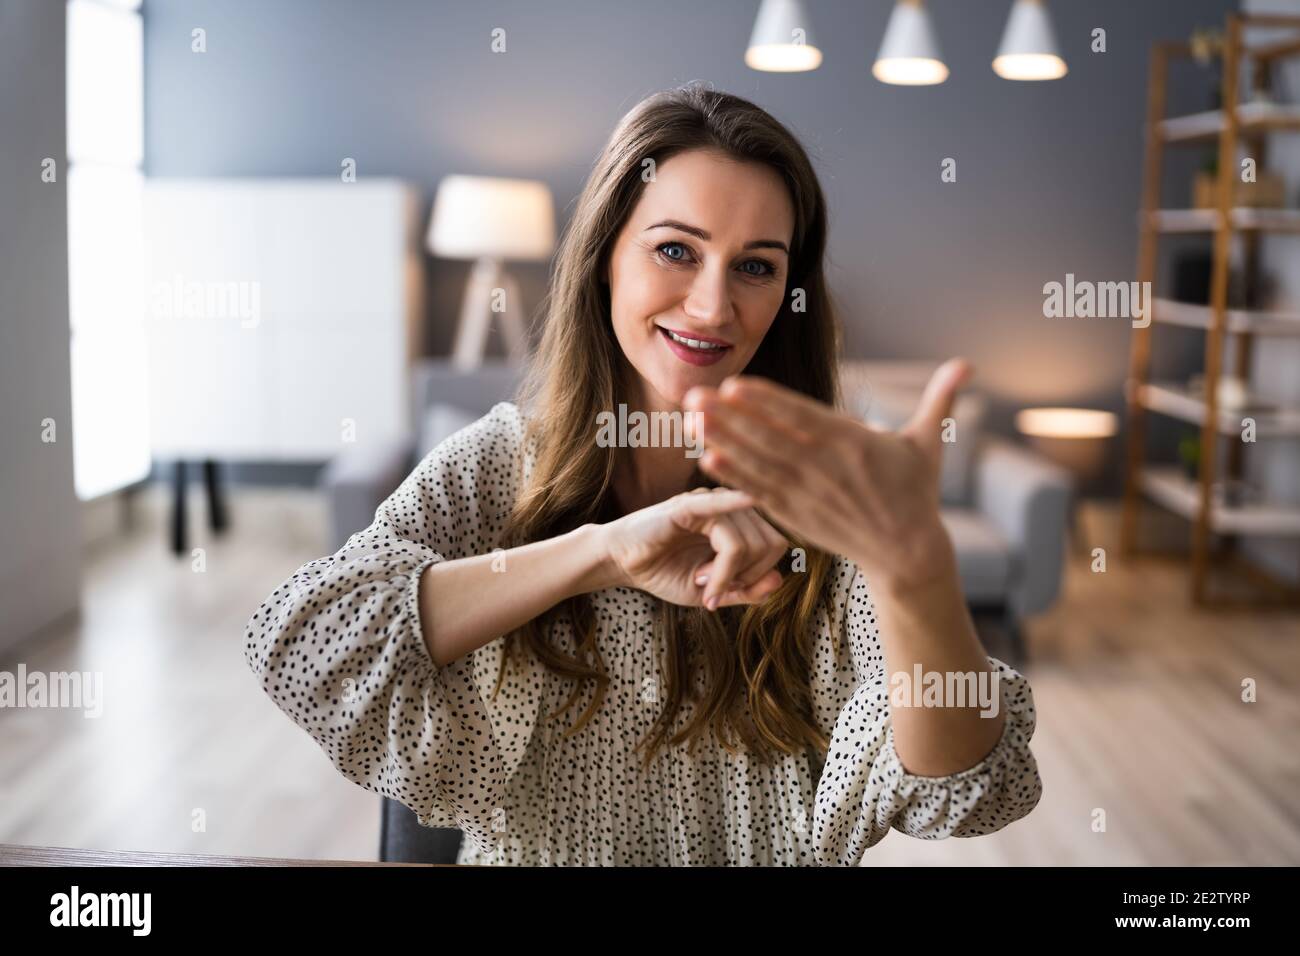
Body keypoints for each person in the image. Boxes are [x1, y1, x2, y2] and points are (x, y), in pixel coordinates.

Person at [243, 83, 1042, 866]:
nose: (710, 306)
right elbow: (304, 642)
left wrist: (918, 571)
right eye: (675, 250)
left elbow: (965, 788)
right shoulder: (494, 467)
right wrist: (601, 553)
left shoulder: (824, 500)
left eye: (755, 268)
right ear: (603, 260)